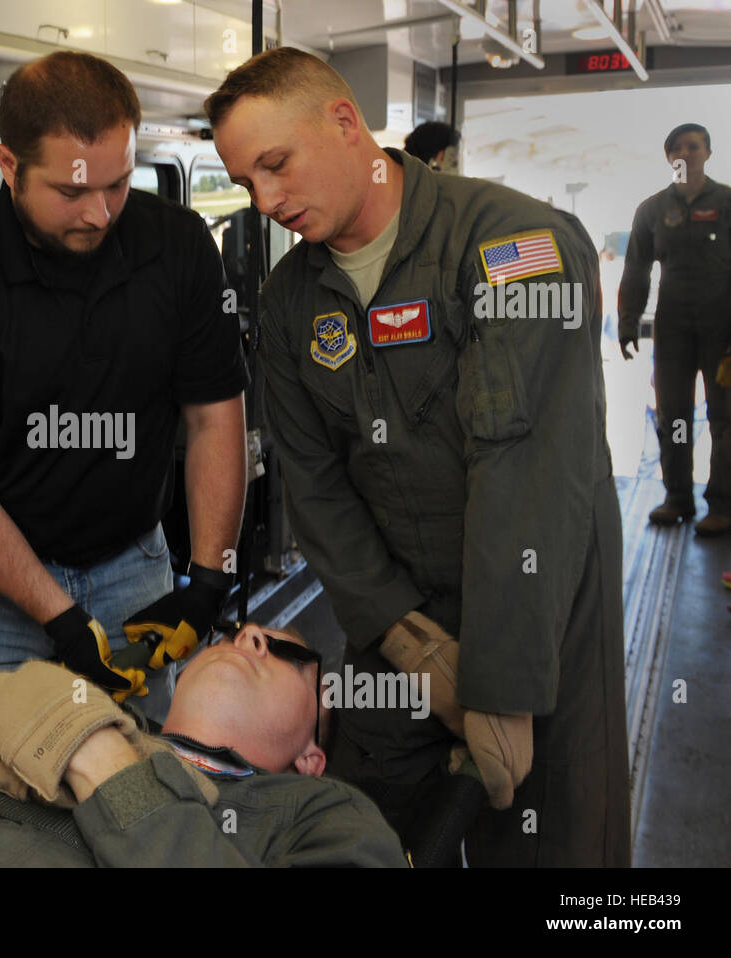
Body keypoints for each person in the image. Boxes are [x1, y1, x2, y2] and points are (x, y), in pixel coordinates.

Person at [204, 48, 630, 866]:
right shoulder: (293, 301)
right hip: (395, 616)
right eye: (246, 181)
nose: (265, 200)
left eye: (276, 166)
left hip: (541, 616)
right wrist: (415, 648)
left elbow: (526, 475)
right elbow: (316, 486)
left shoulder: (514, 246)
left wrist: (499, 689)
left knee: (552, 844)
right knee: (371, 835)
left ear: (343, 121)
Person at [0, 52, 248, 720]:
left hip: (132, 559)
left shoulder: (180, 247)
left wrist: (210, 576)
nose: (100, 214)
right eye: (72, 193)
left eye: (117, 185)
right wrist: (64, 621)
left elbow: (213, 415)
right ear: (9, 164)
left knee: (139, 776)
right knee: (0, 790)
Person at [0, 624, 408, 867]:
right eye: (235, 633)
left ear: (311, 759)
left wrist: (102, 763)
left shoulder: (320, 813)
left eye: (291, 653)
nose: (252, 639)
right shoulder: (33, 723)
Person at [618, 123, 731, 534]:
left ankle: (722, 504)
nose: (687, 152)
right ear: (669, 157)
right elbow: (635, 269)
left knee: (725, 419)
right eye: (678, 147)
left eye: (694, 145)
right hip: (673, 331)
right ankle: (677, 497)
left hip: (723, 330)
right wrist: (628, 321)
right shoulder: (651, 210)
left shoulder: (727, 202)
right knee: (675, 416)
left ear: (707, 152)